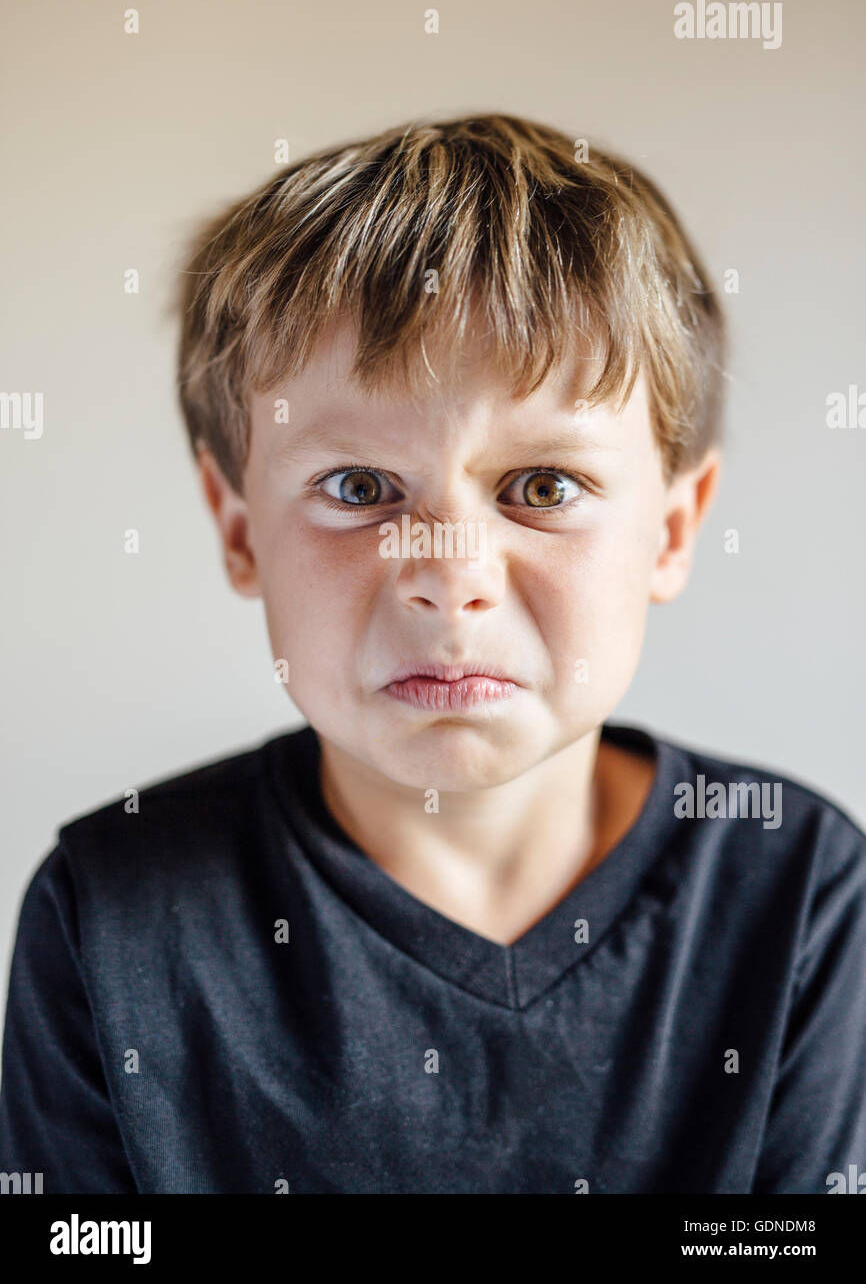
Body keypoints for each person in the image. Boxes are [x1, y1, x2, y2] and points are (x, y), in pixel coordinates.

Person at [1, 113, 864, 1194]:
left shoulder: (796, 891)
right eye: (359, 488)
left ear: (673, 528)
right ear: (237, 530)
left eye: (541, 488)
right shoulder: (107, 913)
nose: (446, 571)